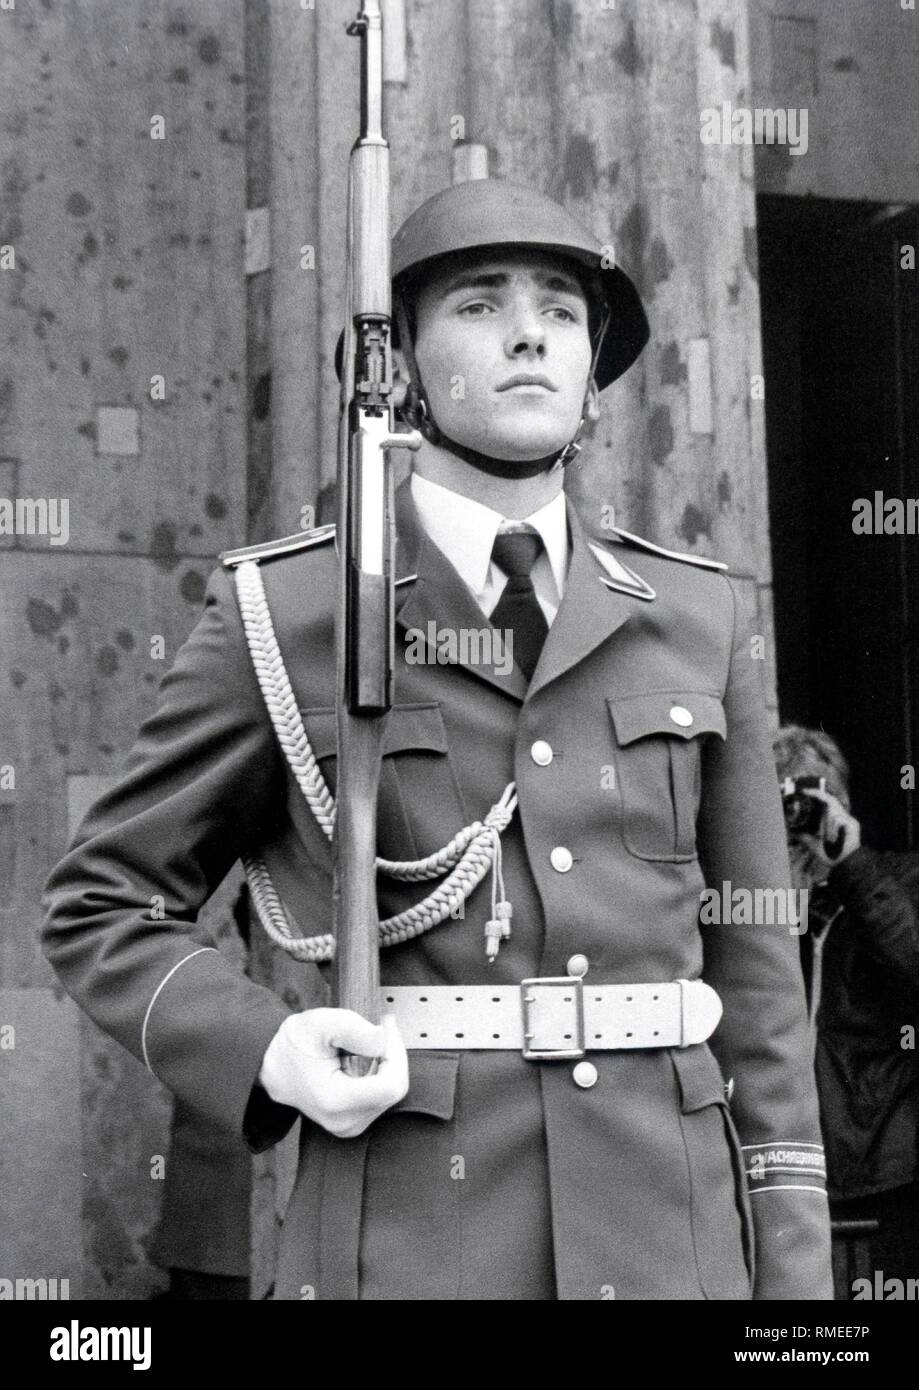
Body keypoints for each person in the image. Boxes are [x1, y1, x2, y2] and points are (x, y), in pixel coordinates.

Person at [42, 178, 832, 1300]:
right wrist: (266, 1049)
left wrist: (793, 1291)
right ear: (402, 362)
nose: (527, 332)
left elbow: (756, 985)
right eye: (478, 303)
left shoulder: (692, 616)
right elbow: (100, 900)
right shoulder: (292, 611)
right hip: (414, 1236)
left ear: (593, 374)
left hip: (671, 1240)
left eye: (560, 310)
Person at [774, 725, 919, 1294]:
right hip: (786, 1169)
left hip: (882, 1175)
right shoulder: (755, 899)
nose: (796, 821)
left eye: (808, 801)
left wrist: (850, 866)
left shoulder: (896, 881)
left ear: (841, 803)